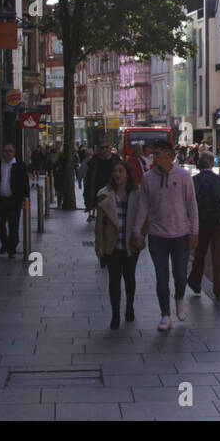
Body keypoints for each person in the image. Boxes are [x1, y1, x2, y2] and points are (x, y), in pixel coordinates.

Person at [131, 140, 198, 332]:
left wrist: (195, 231)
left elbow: (192, 205)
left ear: (169, 156)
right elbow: (143, 206)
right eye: (154, 154)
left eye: (158, 154)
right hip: (157, 235)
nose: (154, 157)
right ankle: (165, 315)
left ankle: (179, 297)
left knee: (179, 275)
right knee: (161, 278)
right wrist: (137, 232)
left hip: (180, 235)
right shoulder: (147, 178)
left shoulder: (184, 176)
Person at [95, 160, 142, 328]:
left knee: (130, 278)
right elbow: (99, 224)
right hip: (112, 244)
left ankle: (129, 307)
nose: (117, 174)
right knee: (114, 280)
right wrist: (99, 246)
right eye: (115, 171)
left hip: (130, 244)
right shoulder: (104, 194)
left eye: (121, 171)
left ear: (127, 174)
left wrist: (141, 236)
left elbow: (144, 219)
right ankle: (115, 313)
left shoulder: (137, 194)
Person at [189, 151, 220, 301]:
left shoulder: (194, 181)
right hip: (218, 222)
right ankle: (219, 289)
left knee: (199, 253)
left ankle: (195, 281)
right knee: (218, 256)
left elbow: (189, 204)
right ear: (211, 163)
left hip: (201, 222)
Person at [0, 143, 29, 257]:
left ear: (14, 153)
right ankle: (5, 243)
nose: (8, 153)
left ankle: (12, 249)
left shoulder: (20, 165)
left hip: (14, 201)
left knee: (13, 226)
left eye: (10, 151)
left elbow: (24, 182)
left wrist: (25, 197)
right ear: (2, 153)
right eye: (5, 151)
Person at [83, 141, 120, 224]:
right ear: (99, 150)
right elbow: (89, 177)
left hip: (113, 188)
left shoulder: (116, 159)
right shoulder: (94, 161)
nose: (105, 150)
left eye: (106, 147)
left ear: (110, 148)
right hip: (98, 188)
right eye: (102, 148)